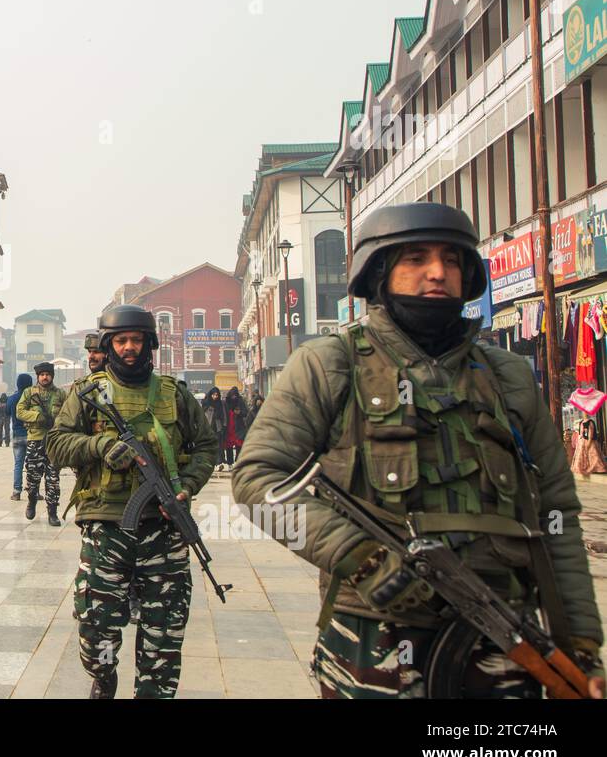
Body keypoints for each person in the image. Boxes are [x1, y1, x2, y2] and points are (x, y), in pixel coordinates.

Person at [233, 203, 604, 699]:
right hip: (376, 635)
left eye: (452, 260)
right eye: (416, 258)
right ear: (380, 272)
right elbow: (258, 481)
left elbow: (558, 513)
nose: (438, 273)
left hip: (504, 632)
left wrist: (579, 643)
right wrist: (359, 557)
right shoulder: (329, 364)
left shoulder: (507, 376)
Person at [48, 305, 217, 698]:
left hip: (165, 529)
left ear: (149, 343)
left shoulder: (174, 394)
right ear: (108, 345)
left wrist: (188, 485)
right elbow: (56, 444)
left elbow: (207, 445)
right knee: (97, 627)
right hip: (107, 528)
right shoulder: (86, 394)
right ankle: (104, 677)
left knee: (163, 634)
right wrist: (100, 445)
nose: (128, 348)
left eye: (136, 340)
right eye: (120, 341)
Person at [16, 361, 66, 525]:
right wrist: (37, 417)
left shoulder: (60, 394)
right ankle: (32, 502)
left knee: (53, 479)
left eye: (48, 374)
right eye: (42, 375)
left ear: (52, 376)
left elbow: (68, 414)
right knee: (33, 476)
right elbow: (20, 411)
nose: (45, 377)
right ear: (38, 376)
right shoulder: (29, 393)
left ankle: (53, 512)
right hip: (35, 439)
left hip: (54, 441)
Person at [7, 373, 31, 499]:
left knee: (18, 464)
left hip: (17, 435)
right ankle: (34, 491)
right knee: (33, 464)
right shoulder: (33, 397)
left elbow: (6, 412)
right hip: (32, 435)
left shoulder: (12, 398)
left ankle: (16, 492)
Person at [201, 386, 227, 465]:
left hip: (217, 427)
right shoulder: (206, 403)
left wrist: (224, 425)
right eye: (214, 395)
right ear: (210, 394)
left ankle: (218, 461)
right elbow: (202, 415)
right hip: (208, 427)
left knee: (218, 445)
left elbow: (224, 415)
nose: (215, 397)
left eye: (217, 395)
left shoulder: (220, 403)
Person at [222, 386, 247, 466]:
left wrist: (239, 412)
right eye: (232, 395)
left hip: (239, 426)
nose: (234, 397)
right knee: (229, 446)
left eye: (235, 395)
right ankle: (230, 463)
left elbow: (245, 412)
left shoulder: (240, 401)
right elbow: (224, 414)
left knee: (239, 445)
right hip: (229, 426)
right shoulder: (227, 402)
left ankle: (238, 461)